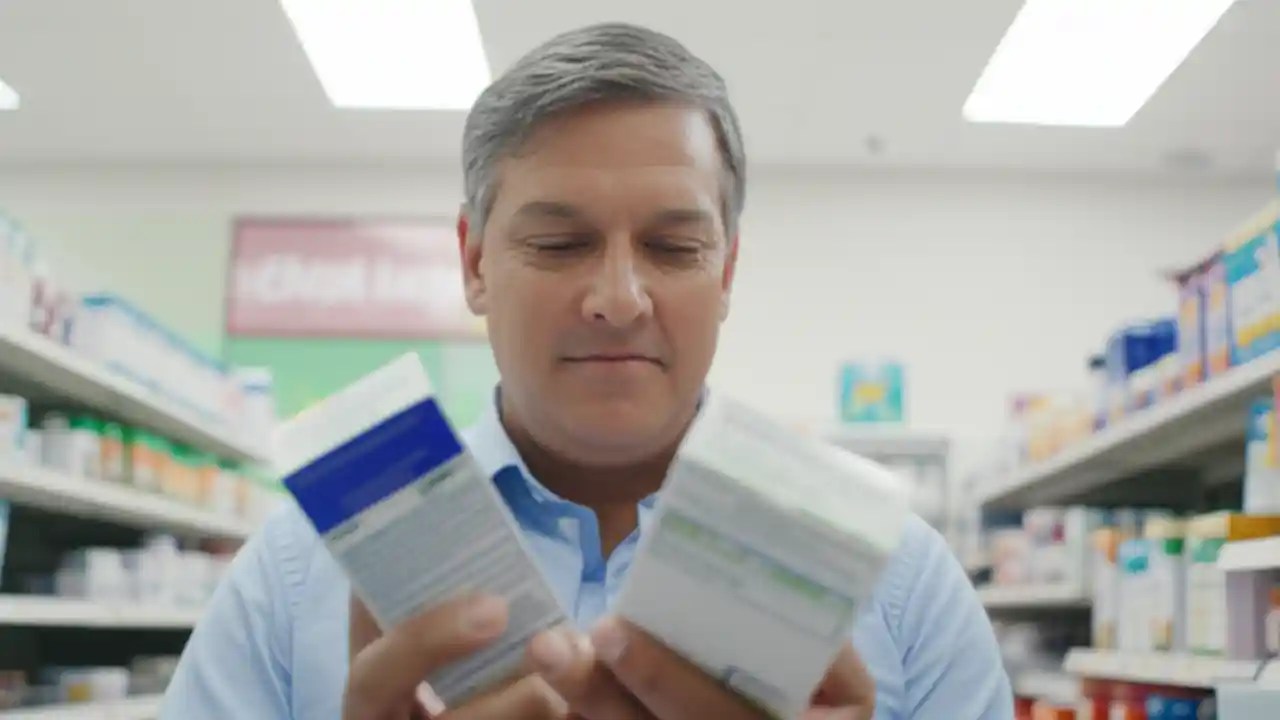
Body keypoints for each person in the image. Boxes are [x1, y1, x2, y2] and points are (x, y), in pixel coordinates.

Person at [160, 22, 1012, 720]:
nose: (618, 298)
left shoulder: (899, 580)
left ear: (727, 272)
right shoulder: (300, 568)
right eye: (560, 243)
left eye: (673, 247)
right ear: (474, 262)